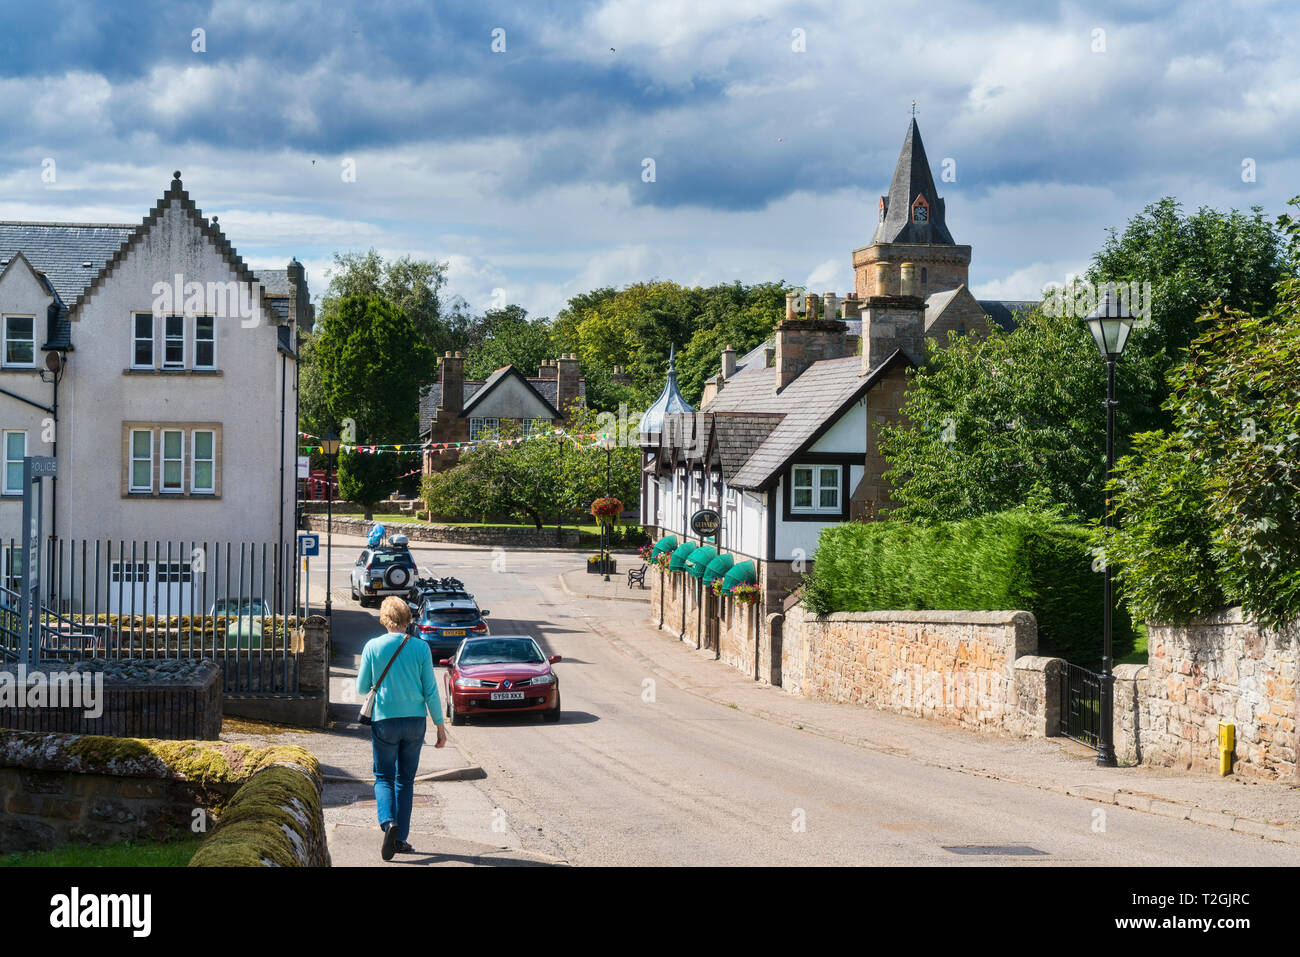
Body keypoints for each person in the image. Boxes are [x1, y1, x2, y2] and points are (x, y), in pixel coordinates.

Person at [356, 595, 447, 861]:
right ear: (408, 619)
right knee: (405, 780)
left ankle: (388, 824)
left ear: (384, 619)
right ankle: (400, 838)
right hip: (415, 722)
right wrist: (440, 726)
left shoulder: (372, 646)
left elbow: (362, 688)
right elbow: (430, 690)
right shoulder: (421, 648)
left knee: (383, 776)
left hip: (385, 720)